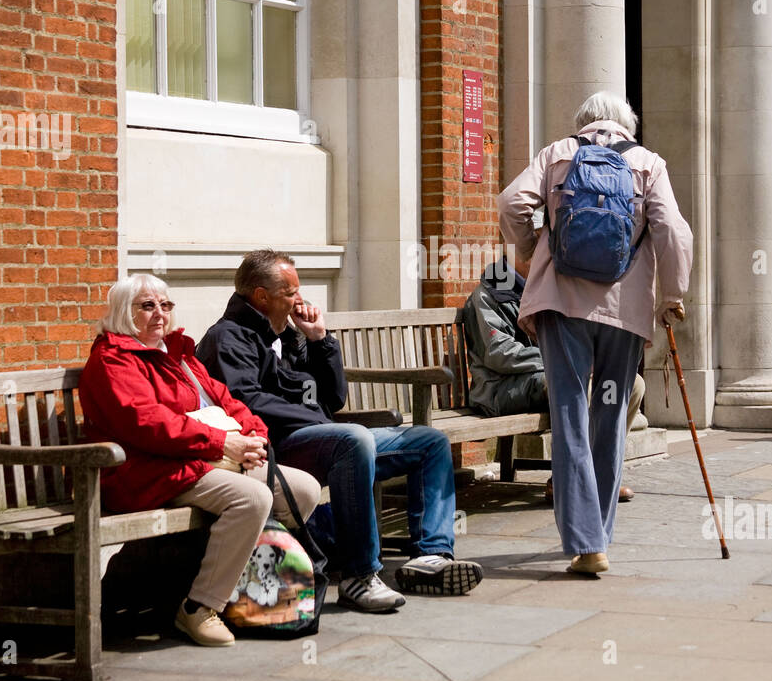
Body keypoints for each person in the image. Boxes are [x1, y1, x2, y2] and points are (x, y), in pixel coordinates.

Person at [197, 250, 483, 610]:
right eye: (291, 293)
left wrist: (319, 340)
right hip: (278, 447)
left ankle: (432, 556)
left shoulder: (286, 336)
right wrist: (320, 422)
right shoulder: (228, 338)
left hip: (325, 438)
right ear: (260, 296)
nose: (299, 300)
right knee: (354, 439)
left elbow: (332, 396)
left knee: (429, 442)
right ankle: (359, 575)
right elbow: (246, 403)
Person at [498, 91, 692, 575]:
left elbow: (511, 204)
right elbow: (672, 230)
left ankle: (585, 541)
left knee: (569, 416)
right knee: (609, 416)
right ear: (627, 125)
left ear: (582, 123)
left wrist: (532, 249)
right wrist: (673, 295)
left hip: (562, 302)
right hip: (623, 311)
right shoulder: (648, 163)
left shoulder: (557, 154)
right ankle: (598, 538)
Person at [78, 275, 321, 647]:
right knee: (252, 499)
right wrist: (224, 443)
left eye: (165, 305)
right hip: (148, 471)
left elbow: (228, 401)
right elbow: (149, 425)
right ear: (123, 313)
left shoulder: (178, 355)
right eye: (147, 306)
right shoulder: (113, 361)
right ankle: (199, 607)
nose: (159, 314)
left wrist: (255, 435)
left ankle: (244, 588)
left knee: (303, 489)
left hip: (203, 460)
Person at [460, 251, 641, 503]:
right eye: (534, 244)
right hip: (499, 389)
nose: (543, 250)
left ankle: (600, 474)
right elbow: (497, 354)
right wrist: (559, 360)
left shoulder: (545, 289)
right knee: (571, 387)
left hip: (540, 378)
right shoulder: (486, 295)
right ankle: (566, 479)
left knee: (631, 384)